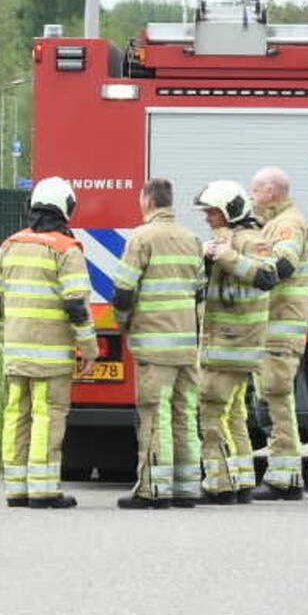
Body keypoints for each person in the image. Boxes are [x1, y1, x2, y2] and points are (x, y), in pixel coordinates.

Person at [0, 176, 97, 508]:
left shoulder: (9, 245)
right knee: (47, 415)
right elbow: (76, 304)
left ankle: (16, 488)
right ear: (66, 209)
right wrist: (89, 348)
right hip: (50, 357)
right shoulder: (66, 249)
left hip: (15, 353)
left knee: (15, 415)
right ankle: (43, 489)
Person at [110, 178, 203, 510]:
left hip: (154, 346)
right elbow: (199, 292)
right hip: (187, 347)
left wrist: (124, 324)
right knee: (185, 415)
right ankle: (188, 487)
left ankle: (154, 488)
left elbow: (123, 291)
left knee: (155, 413)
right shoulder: (192, 239)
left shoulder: (142, 237)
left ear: (148, 201)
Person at [194, 180, 276, 504]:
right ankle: (241, 481)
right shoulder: (227, 239)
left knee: (211, 413)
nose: (208, 218)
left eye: (213, 212)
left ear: (229, 210)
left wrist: (227, 257)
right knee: (234, 415)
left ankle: (219, 484)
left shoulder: (251, 241)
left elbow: (267, 276)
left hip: (231, 344)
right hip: (230, 342)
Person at [247, 166, 308, 499]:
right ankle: (285, 476)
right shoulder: (274, 223)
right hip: (271, 328)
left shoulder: (287, 224)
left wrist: (244, 271)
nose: (251, 197)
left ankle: (284, 478)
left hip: (279, 328)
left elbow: (282, 265)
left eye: (255, 191)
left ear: (272, 191)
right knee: (271, 400)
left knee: (275, 400)